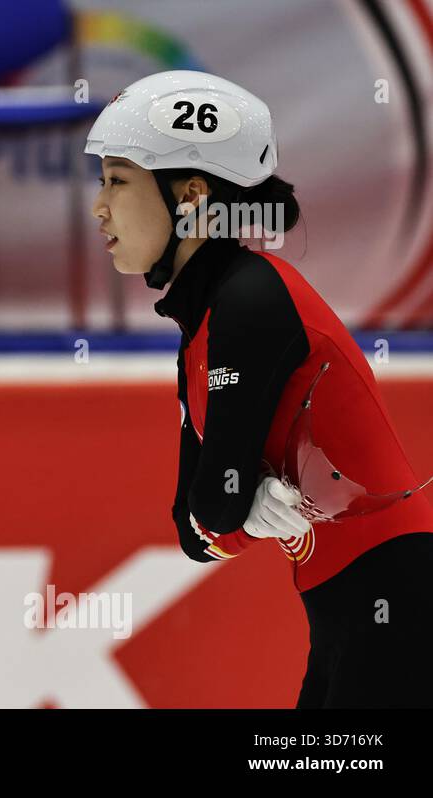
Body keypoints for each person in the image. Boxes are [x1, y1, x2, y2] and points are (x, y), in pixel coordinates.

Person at [87, 70, 433, 707]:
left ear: (190, 194)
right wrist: (235, 510)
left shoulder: (251, 300)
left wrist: (239, 513)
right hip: (354, 613)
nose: (98, 205)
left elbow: (213, 510)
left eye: (117, 180)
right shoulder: (203, 322)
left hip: (395, 606)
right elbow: (191, 532)